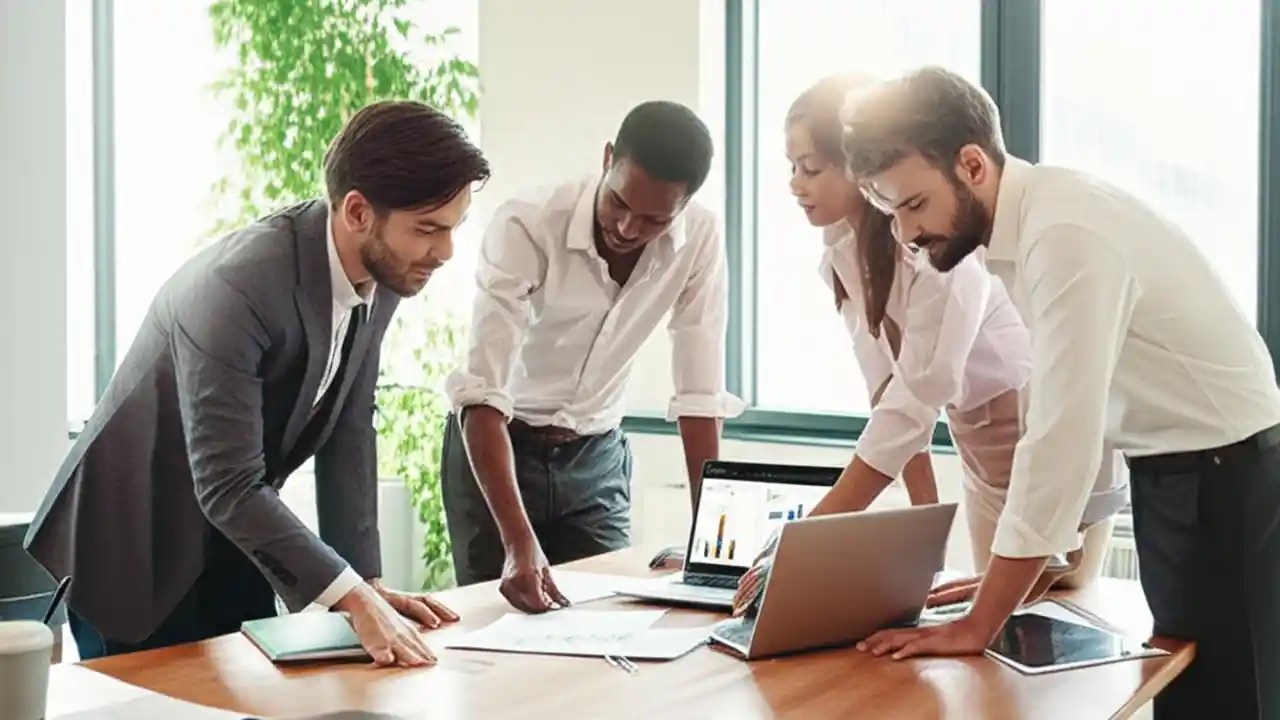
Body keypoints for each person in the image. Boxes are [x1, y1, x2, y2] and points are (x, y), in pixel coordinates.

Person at [841, 66, 1280, 720]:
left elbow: (1060, 433)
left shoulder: (1064, 235)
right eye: (891, 211)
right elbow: (1094, 404)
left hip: (1222, 481)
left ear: (971, 165)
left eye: (913, 205)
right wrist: (1025, 574)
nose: (905, 235)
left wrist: (980, 621)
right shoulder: (1032, 226)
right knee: (1192, 696)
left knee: (1221, 703)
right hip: (1187, 475)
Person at [25, 101, 490, 667]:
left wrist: (363, 583)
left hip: (231, 540)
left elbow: (348, 430)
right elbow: (227, 484)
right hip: (131, 542)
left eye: (453, 229)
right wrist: (351, 598)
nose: (444, 253)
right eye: (428, 230)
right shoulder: (237, 286)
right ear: (358, 212)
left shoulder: (384, 272)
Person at [731, 75, 1120, 615]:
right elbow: (893, 397)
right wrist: (922, 541)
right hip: (975, 434)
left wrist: (804, 541)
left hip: (1036, 424)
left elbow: (918, 396)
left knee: (1056, 615)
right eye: (791, 166)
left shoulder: (934, 245)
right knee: (993, 632)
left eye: (811, 167)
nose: (795, 183)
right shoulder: (845, 251)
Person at [443, 100, 743, 612]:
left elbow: (698, 395)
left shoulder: (701, 240)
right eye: (619, 203)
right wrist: (517, 541)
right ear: (608, 158)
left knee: (607, 622)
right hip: (499, 449)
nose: (628, 228)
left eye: (653, 220)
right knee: (497, 629)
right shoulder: (528, 223)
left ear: (686, 204)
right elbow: (482, 393)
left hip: (596, 459)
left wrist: (714, 545)